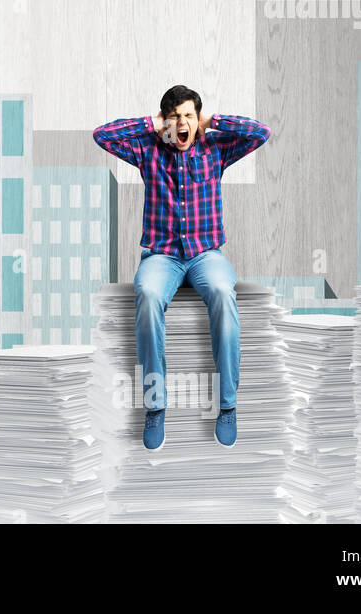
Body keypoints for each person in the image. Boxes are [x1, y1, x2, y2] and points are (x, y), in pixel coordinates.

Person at [92, 85, 271, 450]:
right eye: (175, 117)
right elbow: (102, 136)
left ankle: (227, 404)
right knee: (148, 293)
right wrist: (153, 122)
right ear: (165, 122)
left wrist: (211, 120)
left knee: (223, 292)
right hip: (162, 254)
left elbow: (261, 133)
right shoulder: (148, 150)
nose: (182, 123)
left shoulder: (215, 148)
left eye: (188, 115)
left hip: (206, 253)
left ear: (198, 119)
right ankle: (155, 406)